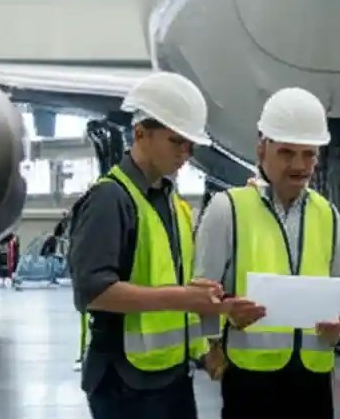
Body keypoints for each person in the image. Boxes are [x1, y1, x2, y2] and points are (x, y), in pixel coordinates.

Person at [67, 71, 256, 419]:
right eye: (176, 141)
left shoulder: (170, 201)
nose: (186, 153)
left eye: (191, 145)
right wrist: (184, 297)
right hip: (124, 382)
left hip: (170, 375)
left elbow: (176, 283)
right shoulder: (110, 199)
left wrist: (204, 346)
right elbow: (93, 291)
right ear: (140, 133)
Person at [194, 87, 340, 419]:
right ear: (262, 148)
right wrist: (212, 342)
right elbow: (201, 290)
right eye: (287, 153)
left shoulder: (328, 214)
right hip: (250, 376)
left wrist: (339, 326)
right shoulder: (228, 209)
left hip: (313, 375)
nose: (299, 165)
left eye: (309, 154)